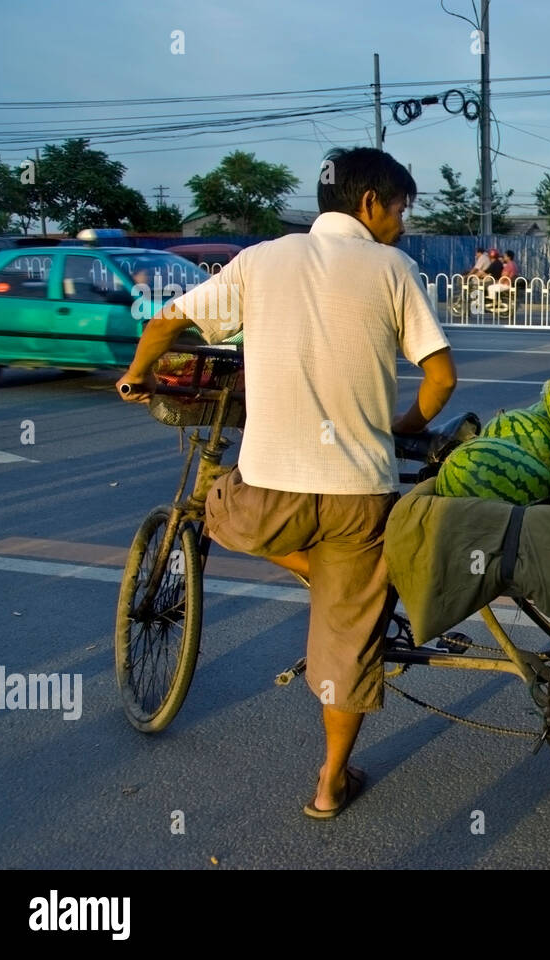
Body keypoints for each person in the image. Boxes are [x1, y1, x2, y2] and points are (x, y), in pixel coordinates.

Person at [115, 147, 457, 820]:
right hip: (359, 494)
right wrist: (396, 426)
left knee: (218, 507)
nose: (403, 223)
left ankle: (311, 567)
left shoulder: (261, 259)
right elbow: (442, 379)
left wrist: (137, 377)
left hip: (270, 498)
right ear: (369, 205)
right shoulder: (394, 269)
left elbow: (165, 322)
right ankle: (330, 783)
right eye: (400, 209)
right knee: (345, 646)